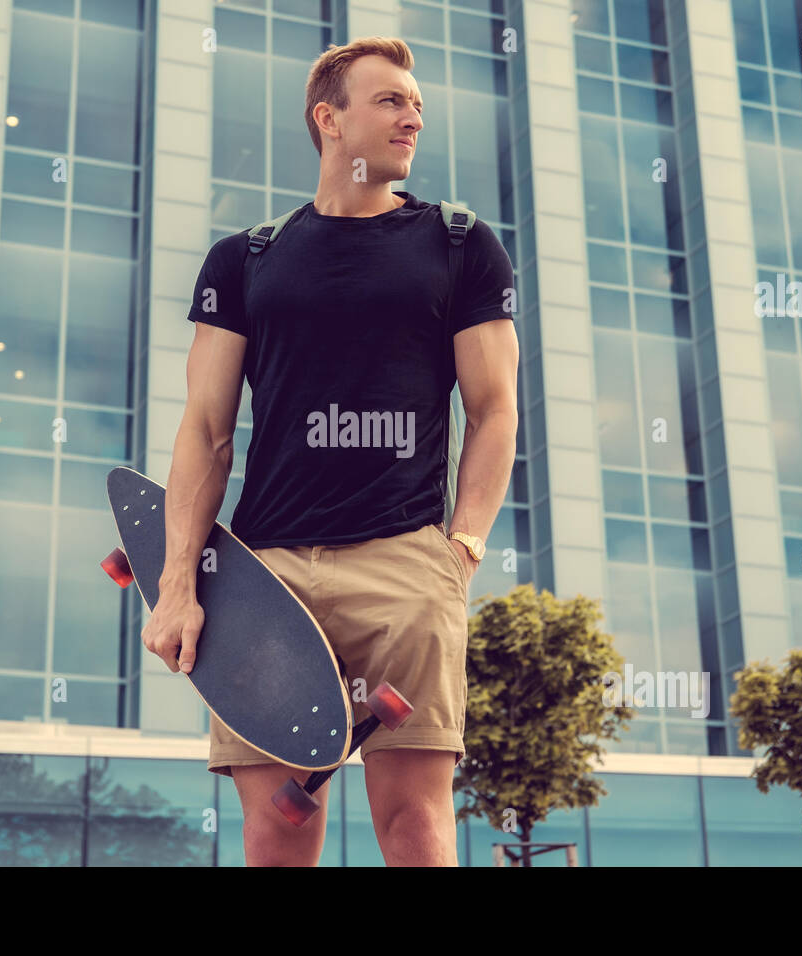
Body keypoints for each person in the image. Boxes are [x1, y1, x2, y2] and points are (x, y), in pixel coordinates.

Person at [142, 36, 519, 866]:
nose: (413, 115)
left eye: (416, 103)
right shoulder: (246, 259)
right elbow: (206, 429)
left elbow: (494, 411)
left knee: (415, 827)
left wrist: (461, 547)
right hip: (264, 576)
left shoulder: (460, 245)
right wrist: (177, 585)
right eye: (390, 100)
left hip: (405, 562)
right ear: (329, 119)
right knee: (280, 823)